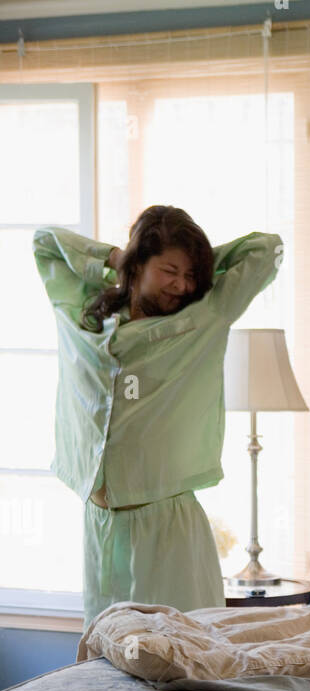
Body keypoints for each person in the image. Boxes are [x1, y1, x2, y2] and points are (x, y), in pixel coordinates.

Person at [33, 206, 283, 630]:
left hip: (167, 531)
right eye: (171, 270)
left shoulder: (204, 317)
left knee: (180, 666)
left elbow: (267, 249)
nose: (182, 286)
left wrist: (204, 270)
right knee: (108, 667)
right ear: (138, 262)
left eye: (191, 277)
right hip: (100, 529)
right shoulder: (84, 319)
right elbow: (45, 243)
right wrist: (115, 258)